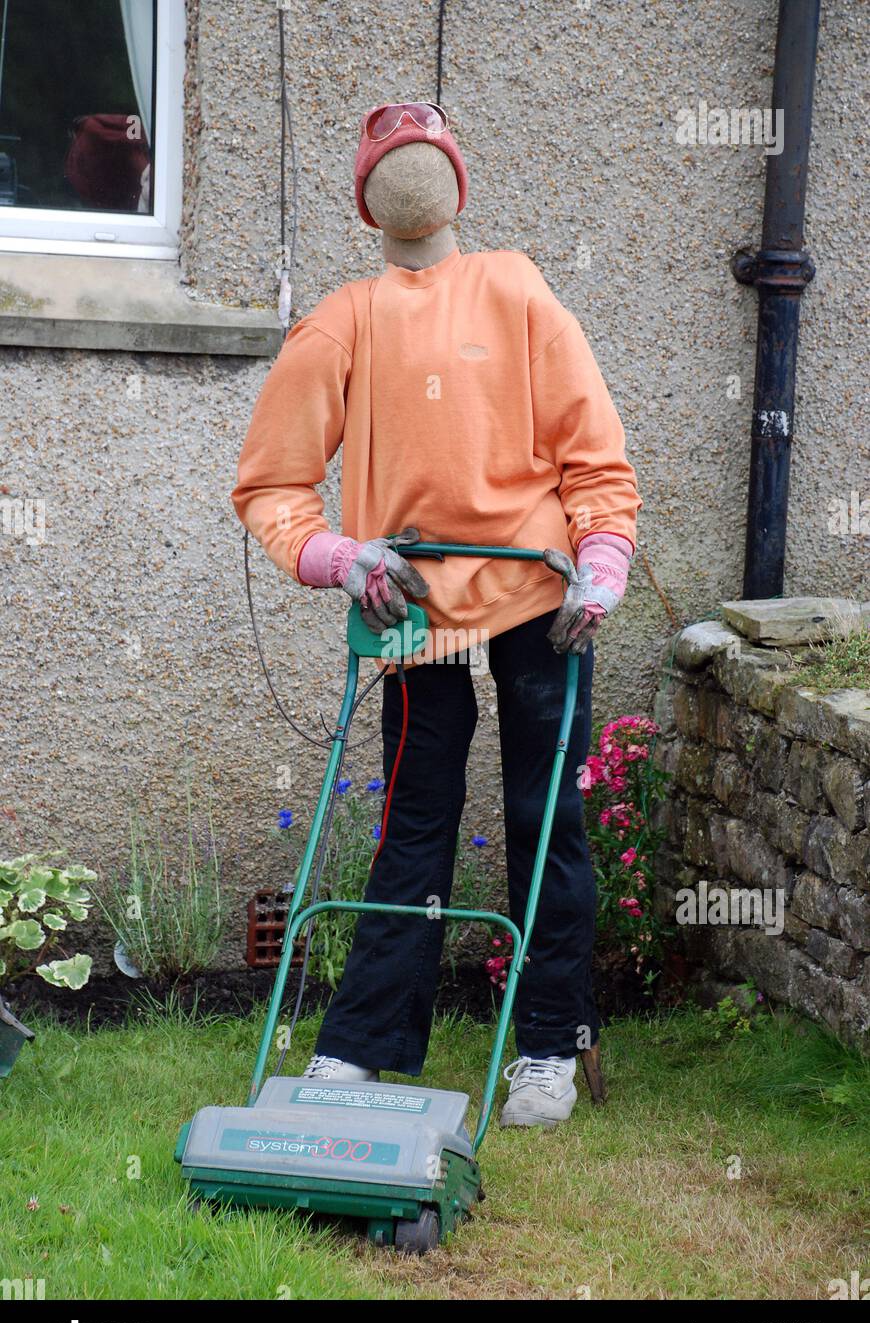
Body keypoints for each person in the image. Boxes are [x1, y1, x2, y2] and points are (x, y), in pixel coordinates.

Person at [233, 102, 642, 1128]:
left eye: (428, 159)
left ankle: (548, 1041)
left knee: (547, 820)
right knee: (414, 824)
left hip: (540, 595)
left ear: (456, 182)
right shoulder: (344, 320)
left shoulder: (515, 289)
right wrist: (337, 555)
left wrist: (603, 559)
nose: (411, 178)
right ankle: (363, 1046)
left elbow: (592, 446)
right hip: (410, 602)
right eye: (392, 164)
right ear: (368, 200)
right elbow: (272, 483)